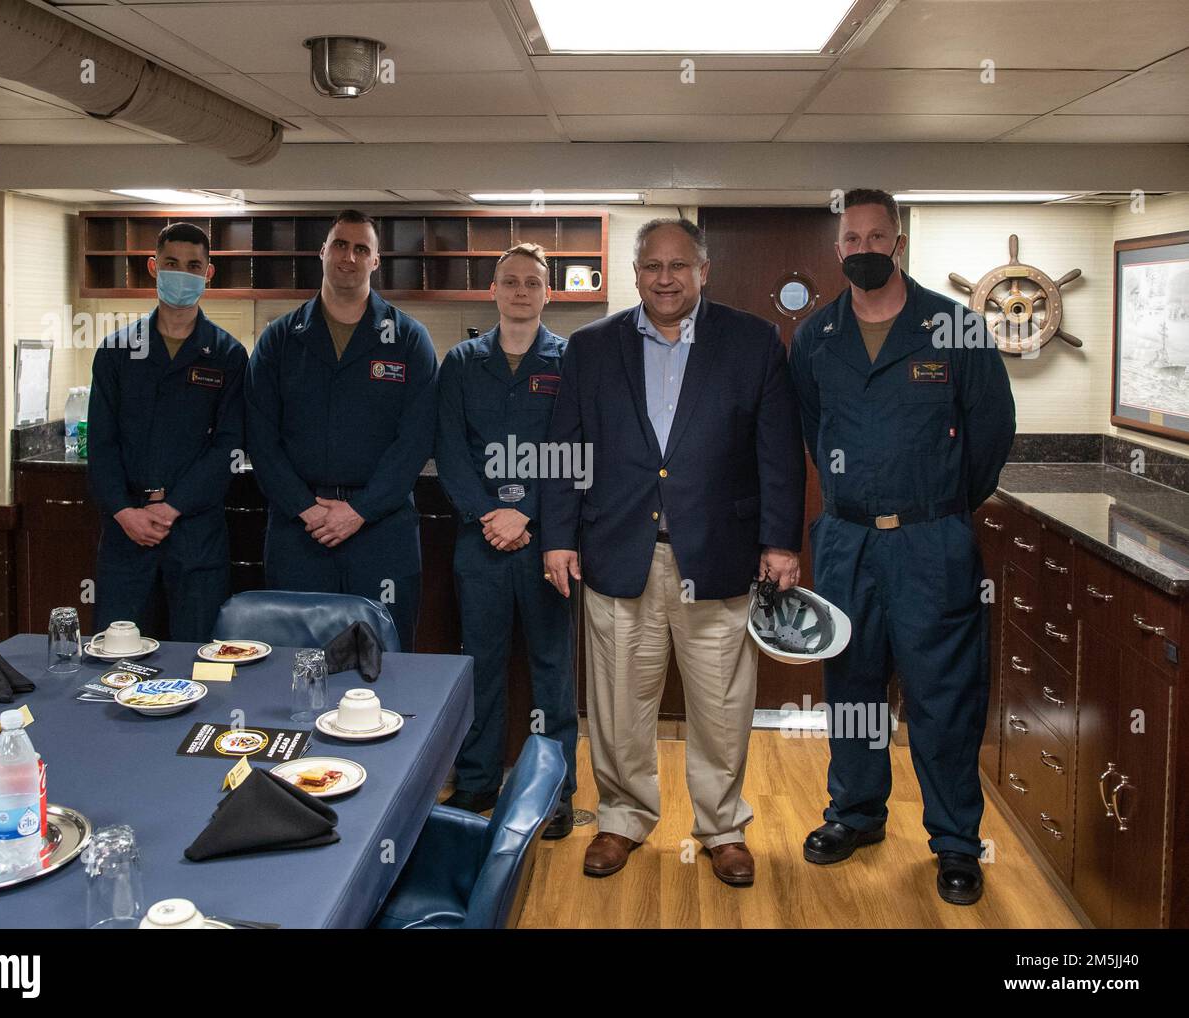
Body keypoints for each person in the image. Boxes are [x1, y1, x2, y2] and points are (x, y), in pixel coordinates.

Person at [541, 218, 806, 885]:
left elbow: (777, 453)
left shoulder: (754, 343)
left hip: (719, 557)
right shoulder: (591, 348)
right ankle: (622, 818)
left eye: (679, 266)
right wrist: (556, 539)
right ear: (637, 274)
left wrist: (780, 542)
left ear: (703, 271)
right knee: (618, 704)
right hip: (617, 552)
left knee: (721, 705)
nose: (666, 278)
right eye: (653, 266)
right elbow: (565, 452)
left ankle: (721, 826)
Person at [788, 188, 1015, 905]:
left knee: (943, 695)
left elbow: (990, 435)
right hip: (847, 540)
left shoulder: (956, 329)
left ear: (899, 244)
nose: (862, 249)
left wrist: (939, 506)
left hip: (930, 544)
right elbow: (812, 430)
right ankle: (854, 815)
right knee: (850, 683)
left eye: (875, 236)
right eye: (849, 239)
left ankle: (954, 841)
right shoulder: (815, 338)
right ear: (838, 250)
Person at [244, 210, 437, 652]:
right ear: (323, 252)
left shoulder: (408, 339)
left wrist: (360, 511)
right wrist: (305, 509)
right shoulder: (279, 339)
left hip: (381, 531)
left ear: (376, 261)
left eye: (361, 248)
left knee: (385, 660)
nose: (349, 257)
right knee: (297, 661)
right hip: (300, 532)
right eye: (341, 245)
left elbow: (415, 442)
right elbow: (261, 437)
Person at [435, 243, 577, 837]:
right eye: (510, 282)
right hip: (481, 541)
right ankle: (476, 782)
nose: (520, 291)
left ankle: (555, 792)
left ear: (548, 293)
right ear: (492, 291)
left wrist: (528, 517)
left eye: (532, 283)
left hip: (548, 544)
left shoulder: (570, 361)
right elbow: (448, 449)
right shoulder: (463, 362)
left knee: (552, 670)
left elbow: (576, 450)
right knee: (482, 665)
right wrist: (489, 513)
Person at [88, 221, 247, 642]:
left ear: (209, 273)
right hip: (127, 531)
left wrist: (173, 507)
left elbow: (229, 448)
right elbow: (100, 444)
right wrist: (124, 511)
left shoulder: (228, 355)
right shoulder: (116, 352)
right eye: (172, 263)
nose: (183, 273)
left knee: (200, 660)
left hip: (195, 534)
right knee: (117, 660)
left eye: (194, 265)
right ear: (153, 266)